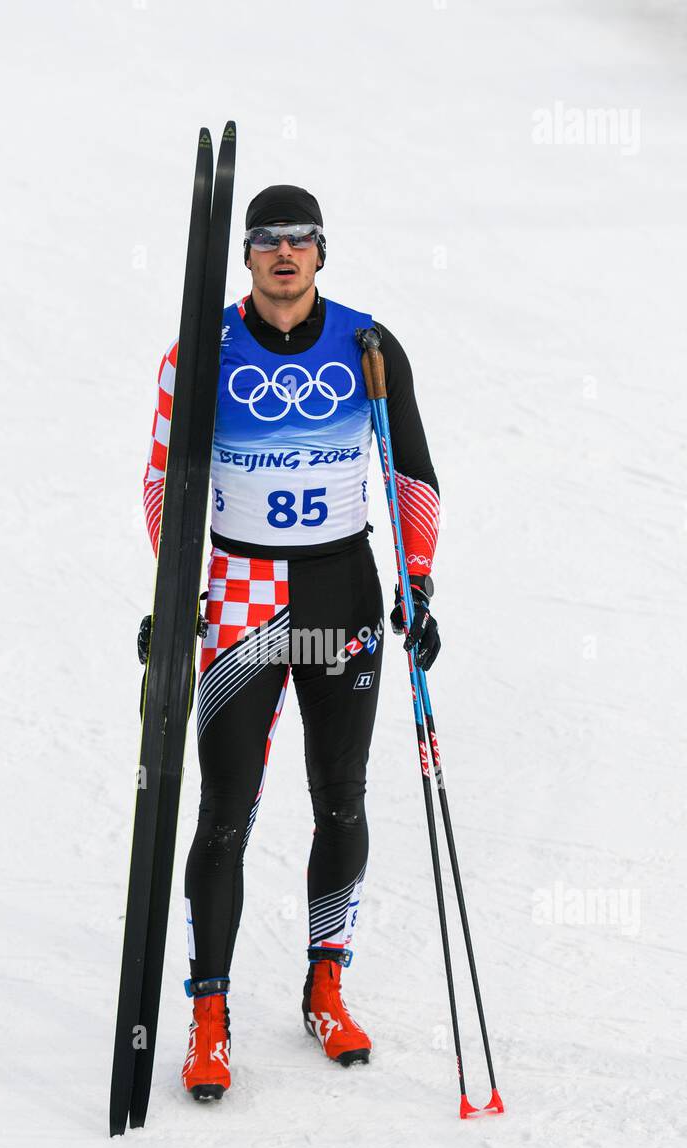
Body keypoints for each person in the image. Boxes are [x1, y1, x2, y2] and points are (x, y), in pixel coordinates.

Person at [142, 185, 441, 1101]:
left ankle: (325, 984)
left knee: (340, 800)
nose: (284, 254)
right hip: (241, 595)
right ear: (245, 257)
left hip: (336, 589)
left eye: (299, 240)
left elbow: (412, 472)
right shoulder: (199, 354)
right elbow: (164, 483)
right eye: (266, 240)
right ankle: (210, 1011)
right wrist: (173, 591)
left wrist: (418, 584)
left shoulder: (367, 346)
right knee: (226, 811)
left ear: (321, 251)